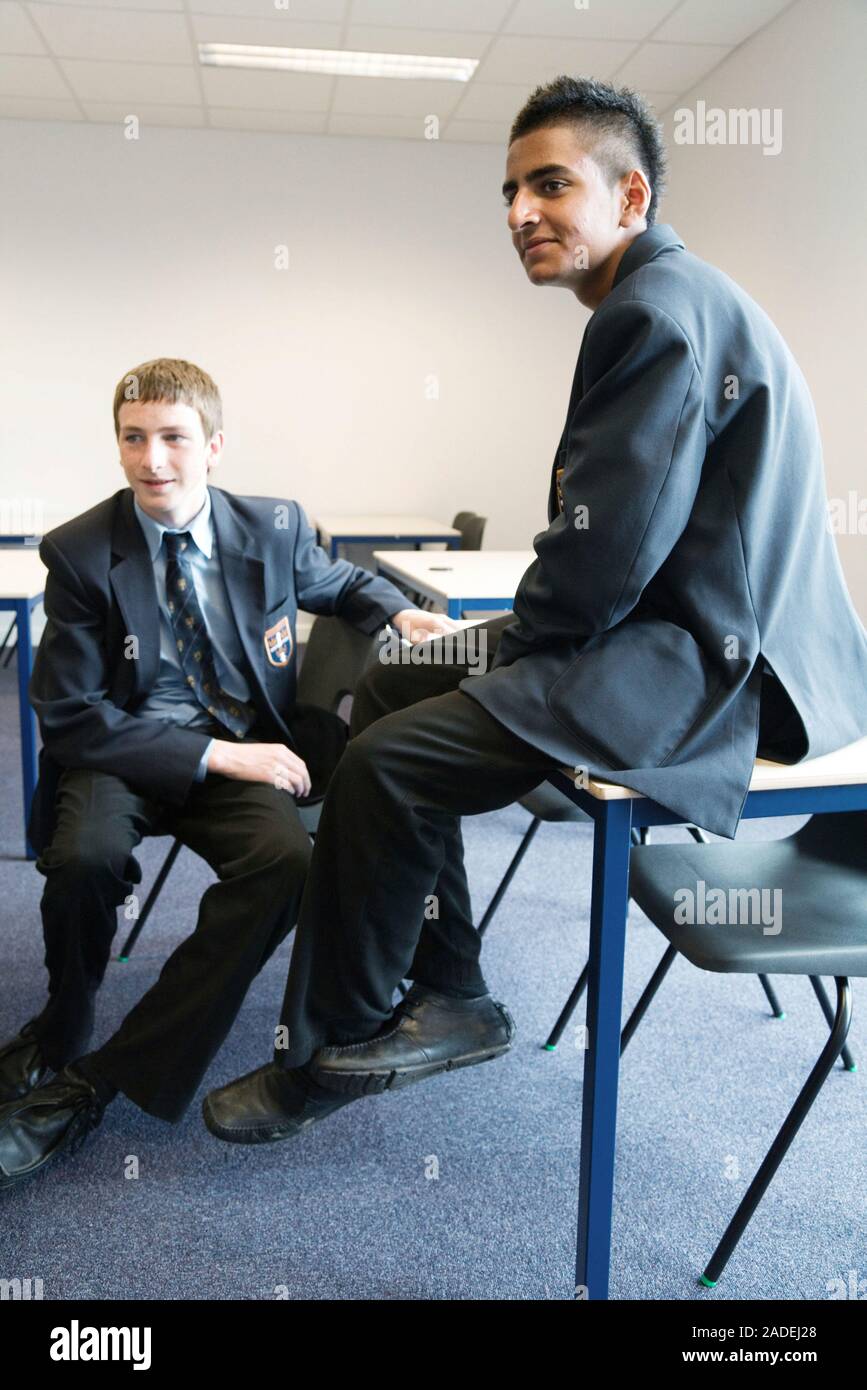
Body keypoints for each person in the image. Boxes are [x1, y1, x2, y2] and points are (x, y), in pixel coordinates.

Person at [202, 76, 867, 1146]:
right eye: (510, 189)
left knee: (386, 761)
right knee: (385, 678)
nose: (520, 211)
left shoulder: (653, 312)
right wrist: (493, 640)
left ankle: (325, 1049)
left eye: (551, 184)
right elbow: (614, 544)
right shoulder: (668, 297)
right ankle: (452, 984)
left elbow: (605, 557)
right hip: (659, 624)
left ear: (631, 194)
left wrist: (506, 647)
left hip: (703, 661)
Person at [0, 357, 450, 1187]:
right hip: (126, 747)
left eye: (173, 438)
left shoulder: (272, 528)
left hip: (245, 749)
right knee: (87, 859)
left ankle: (96, 1079)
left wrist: (395, 609)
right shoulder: (79, 552)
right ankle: (61, 1027)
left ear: (213, 447)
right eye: (133, 439)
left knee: (288, 867)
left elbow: (339, 581)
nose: (151, 461)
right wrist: (213, 754)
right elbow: (67, 713)